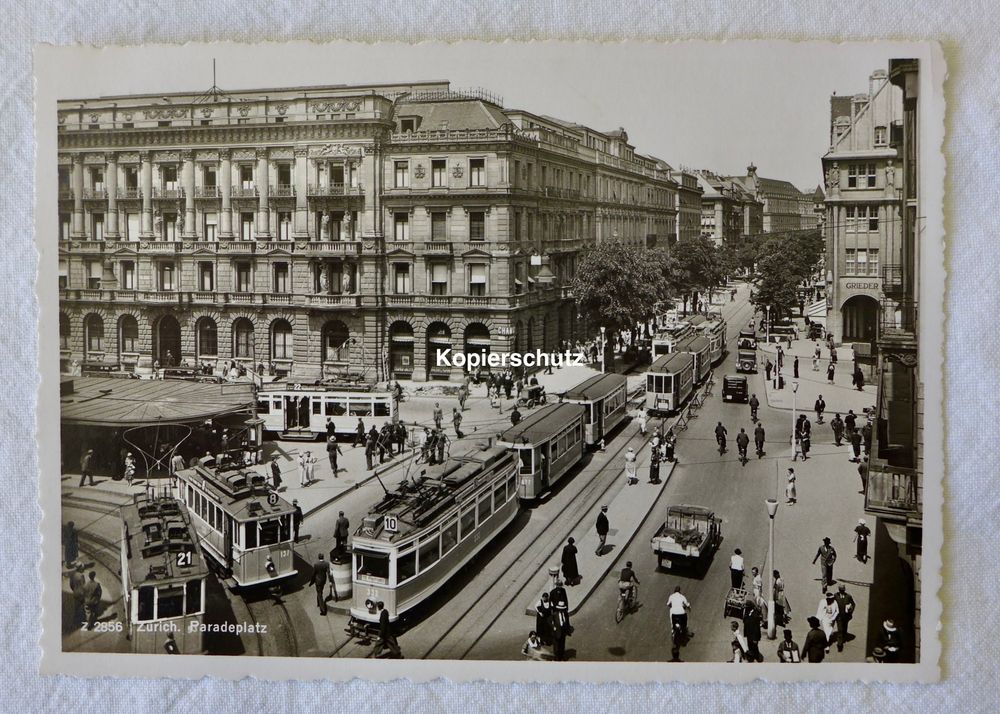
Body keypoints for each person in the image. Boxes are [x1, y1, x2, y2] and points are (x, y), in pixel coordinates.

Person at [834, 583, 856, 652]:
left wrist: (851, 611)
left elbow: (853, 604)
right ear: (839, 590)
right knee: (840, 630)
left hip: (846, 616)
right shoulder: (835, 596)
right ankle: (840, 645)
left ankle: (844, 636)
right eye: (841, 590)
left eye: (843, 590)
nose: (842, 591)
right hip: (839, 616)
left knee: (845, 627)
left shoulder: (848, 596)